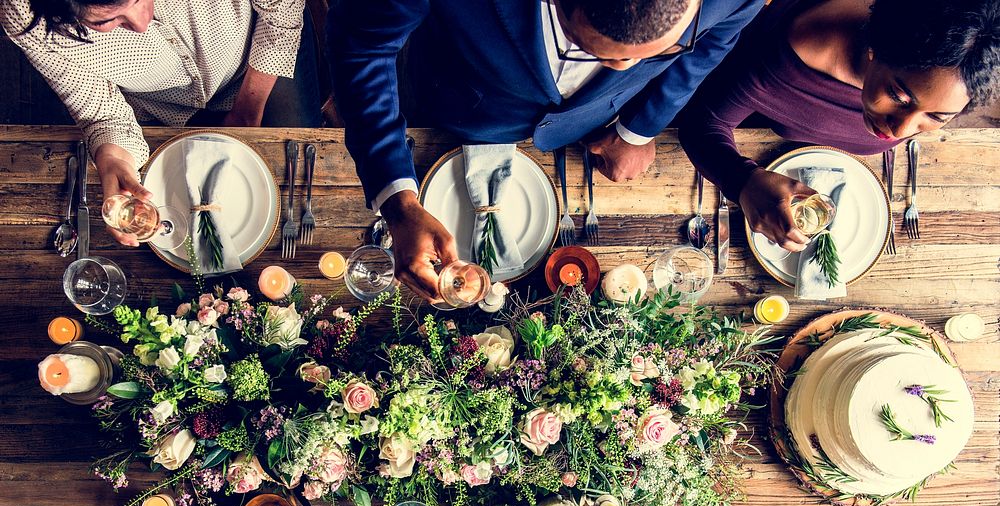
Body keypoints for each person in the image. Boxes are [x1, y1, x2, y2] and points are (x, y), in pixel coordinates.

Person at [328, 0, 765, 301]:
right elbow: (362, 47)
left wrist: (638, 128)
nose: (623, 69)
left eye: (659, 50)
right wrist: (399, 204)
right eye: (595, 51)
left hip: (596, 127)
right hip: (458, 103)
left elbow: (716, 38)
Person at [678, 0, 1000, 251]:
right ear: (876, 47)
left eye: (936, 118)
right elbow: (701, 124)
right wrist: (743, 181)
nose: (901, 131)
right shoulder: (780, 60)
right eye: (898, 96)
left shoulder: (945, 77)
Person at [1, 0, 322, 246]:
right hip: (162, 101)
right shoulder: (24, 15)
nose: (142, 23)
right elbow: (100, 109)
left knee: (304, 159)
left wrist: (248, 110)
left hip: (262, 50)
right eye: (107, 20)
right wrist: (113, 159)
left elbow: (281, 13)